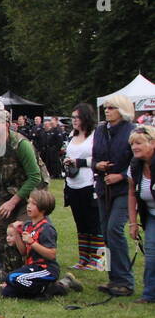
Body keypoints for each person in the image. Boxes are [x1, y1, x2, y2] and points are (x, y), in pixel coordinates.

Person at [0, 100, 43, 283]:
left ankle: (31, 268)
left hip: (32, 190)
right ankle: (5, 269)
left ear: (6, 125)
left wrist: (13, 202)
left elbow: (35, 177)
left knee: (22, 228)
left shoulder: (21, 145)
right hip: (8, 188)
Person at [0, 189, 81, 298]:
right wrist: (16, 234)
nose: (28, 206)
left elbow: (51, 254)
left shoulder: (46, 228)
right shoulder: (27, 225)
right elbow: (23, 252)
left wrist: (32, 242)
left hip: (46, 269)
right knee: (7, 292)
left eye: (33, 204)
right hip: (31, 267)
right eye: (28, 203)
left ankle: (54, 287)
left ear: (43, 208)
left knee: (12, 278)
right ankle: (46, 289)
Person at [92, 93, 136, 296]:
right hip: (103, 187)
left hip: (124, 190)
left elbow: (137, 159)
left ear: (122, 110)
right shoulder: (100, 130)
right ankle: (113, 278)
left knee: (114, 229)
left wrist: (121, 175)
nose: (107, 111)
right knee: (105, 232)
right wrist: (97, 165)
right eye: (106, 108)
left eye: (112, 108)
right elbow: (94, 157)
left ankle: (125, 280)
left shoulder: (132, 131)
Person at [63, 103, 102, 269]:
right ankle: (83, 258)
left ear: (85, 117)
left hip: (89, 183)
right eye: (72, 118)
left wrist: (79, 162)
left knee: (94, 222)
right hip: (73, 184)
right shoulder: (72, 136)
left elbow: (100, 160)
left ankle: (99, 260)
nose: (74, 121)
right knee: (80, 222)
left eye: (77, 117)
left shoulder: (95, 136)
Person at [126, 124, 155, 303]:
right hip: (151, 214)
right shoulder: (135, 166)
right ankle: (149, 294)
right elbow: (131, 194)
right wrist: (133, 222)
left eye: (139, 143)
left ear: (152, 143)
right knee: (151, 253)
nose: (134, 147)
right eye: (132, 144)